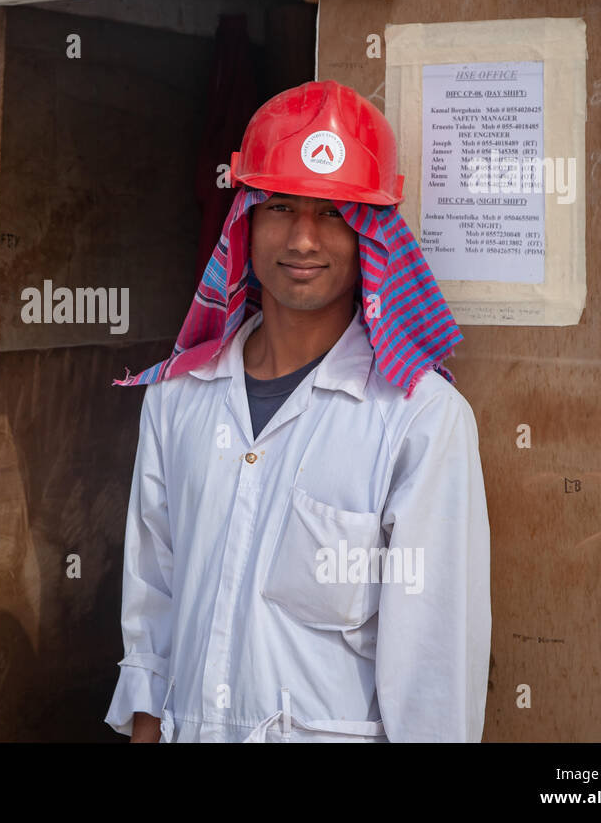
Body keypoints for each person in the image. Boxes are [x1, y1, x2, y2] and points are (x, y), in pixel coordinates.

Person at [105, 81, 491, 743]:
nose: (303, 239)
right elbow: (153, 607)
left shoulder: (420, 421)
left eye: (333, 214)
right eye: (280, 208)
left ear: (371, 233)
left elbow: (435, 666)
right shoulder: (177, 399)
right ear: (244, 222)